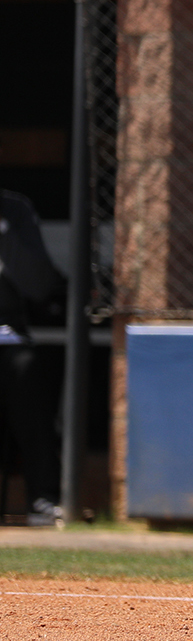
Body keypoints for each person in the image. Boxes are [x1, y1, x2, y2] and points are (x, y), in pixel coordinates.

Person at [0, 190, 65, 525]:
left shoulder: (14, 211)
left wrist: (4, 232)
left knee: (27, 370)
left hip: (6, 335)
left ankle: (43, 497)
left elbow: (39, 286)